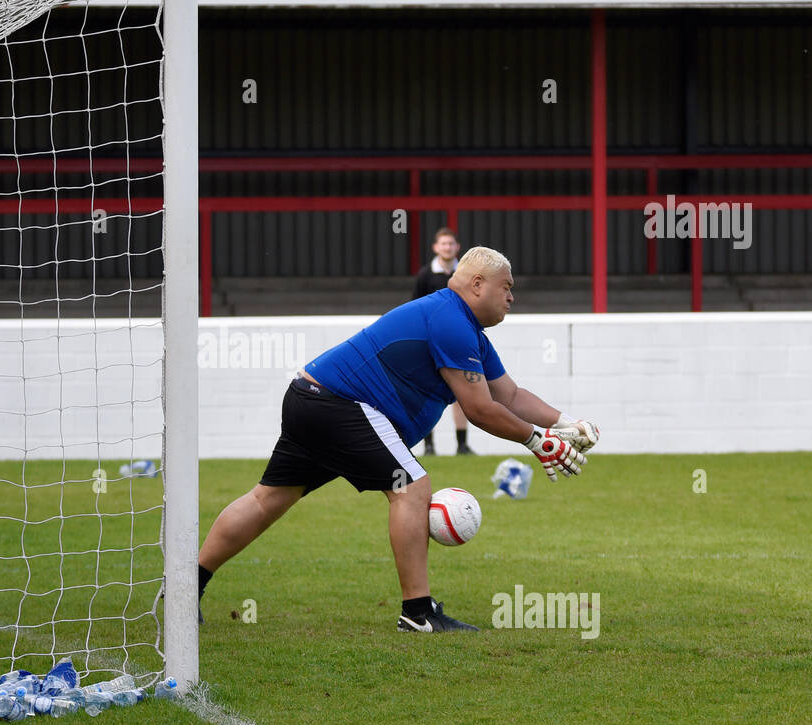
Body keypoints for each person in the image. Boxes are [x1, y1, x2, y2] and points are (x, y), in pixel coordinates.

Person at [196, 246, 600, 633]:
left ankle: (186, 586)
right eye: (506, 286)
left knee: (266, 500)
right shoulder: (452, 320)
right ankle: (418, 613)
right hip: (338, 404)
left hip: (310, 398)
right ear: (477, 284)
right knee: (411, 487)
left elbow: (509, 395)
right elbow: (478, 410)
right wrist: (536, 440)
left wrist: (566, 423)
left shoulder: (463, 326)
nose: (512, 296)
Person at [411, 226, 471, 455]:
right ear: (436, 247)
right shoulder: (425, 275)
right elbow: (415, 308)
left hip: (458, 341)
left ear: (457, 247)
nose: (447, 247)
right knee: (428, 392)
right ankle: (428, 446)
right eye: (443, 244)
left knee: (461, 392)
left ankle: (462, 444)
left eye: (451, 243)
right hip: (430, 343)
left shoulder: (464, 274)